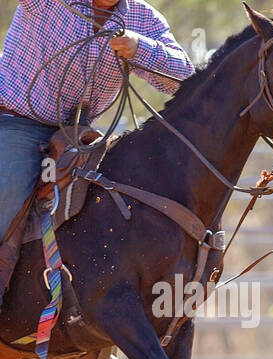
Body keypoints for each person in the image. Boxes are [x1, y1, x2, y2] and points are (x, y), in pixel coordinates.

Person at [0, 0, 193, 302]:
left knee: (118, 200)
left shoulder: (141, 17)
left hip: (79, 136)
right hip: (17, 122)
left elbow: (183, 77)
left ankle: (98, 309)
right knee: (6, 191)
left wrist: (139, 47)